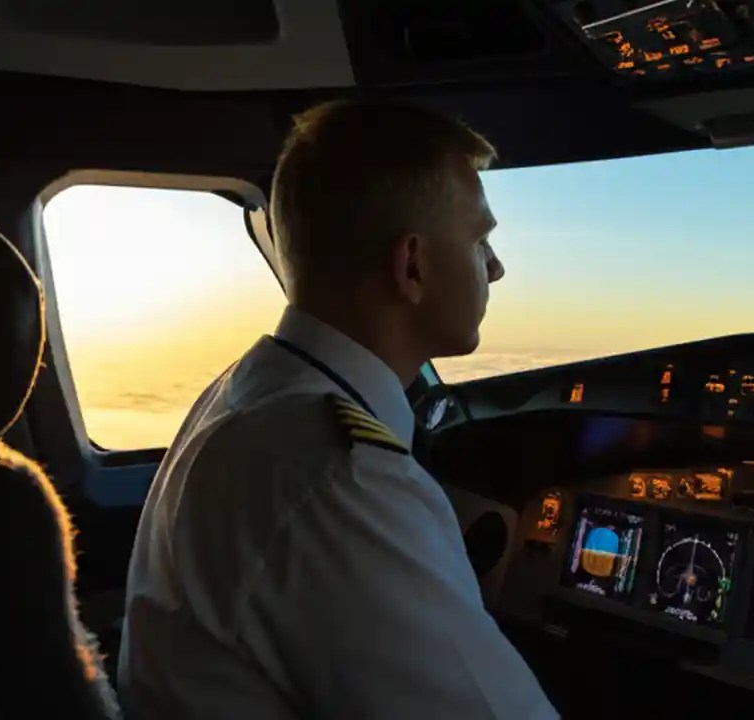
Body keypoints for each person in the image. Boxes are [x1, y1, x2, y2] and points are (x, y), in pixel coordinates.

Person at [118, 100, 559, 719]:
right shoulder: (336, 477)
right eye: (480, 238)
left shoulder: (251, 391)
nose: (496, 266)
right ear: (411, 266)